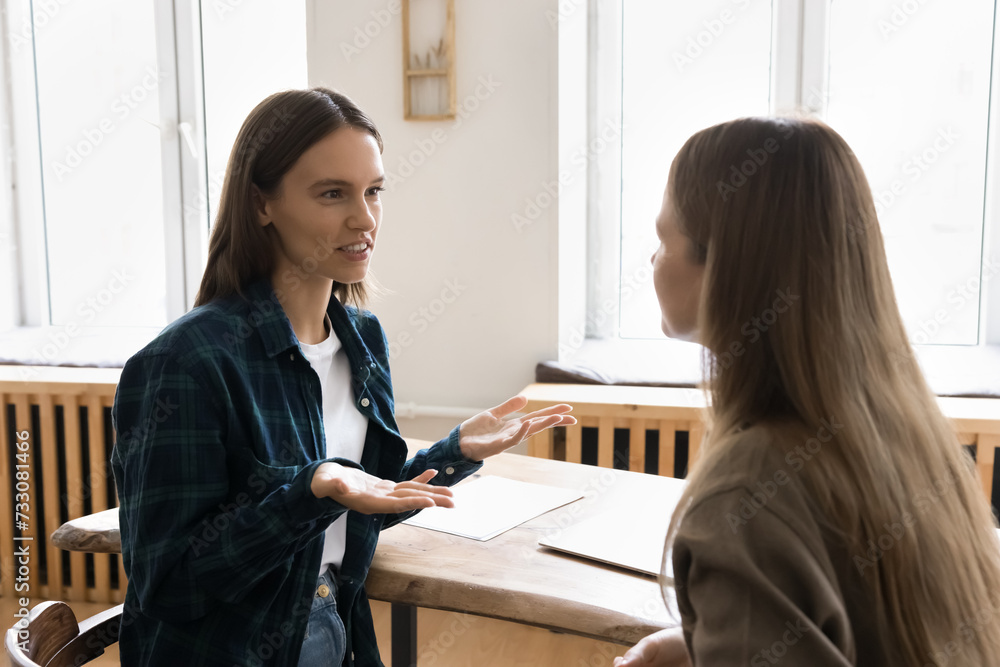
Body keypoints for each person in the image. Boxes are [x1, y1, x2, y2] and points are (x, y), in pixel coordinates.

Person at [111, 87, 574, 667]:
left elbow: (362, 495)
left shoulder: (362, 338)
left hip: (334, 624)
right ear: (262, 204)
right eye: (333, 194)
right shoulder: (186, 363)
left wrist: (455, 453)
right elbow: (170, 583)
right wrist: (309, 492)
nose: (365, 218)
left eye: (374, 191)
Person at [614, 117, 1000, 666]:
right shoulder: (901, 431)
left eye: (663, 238)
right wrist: (713, 640)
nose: (653, 259)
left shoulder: (746, 492)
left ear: (723, 263)